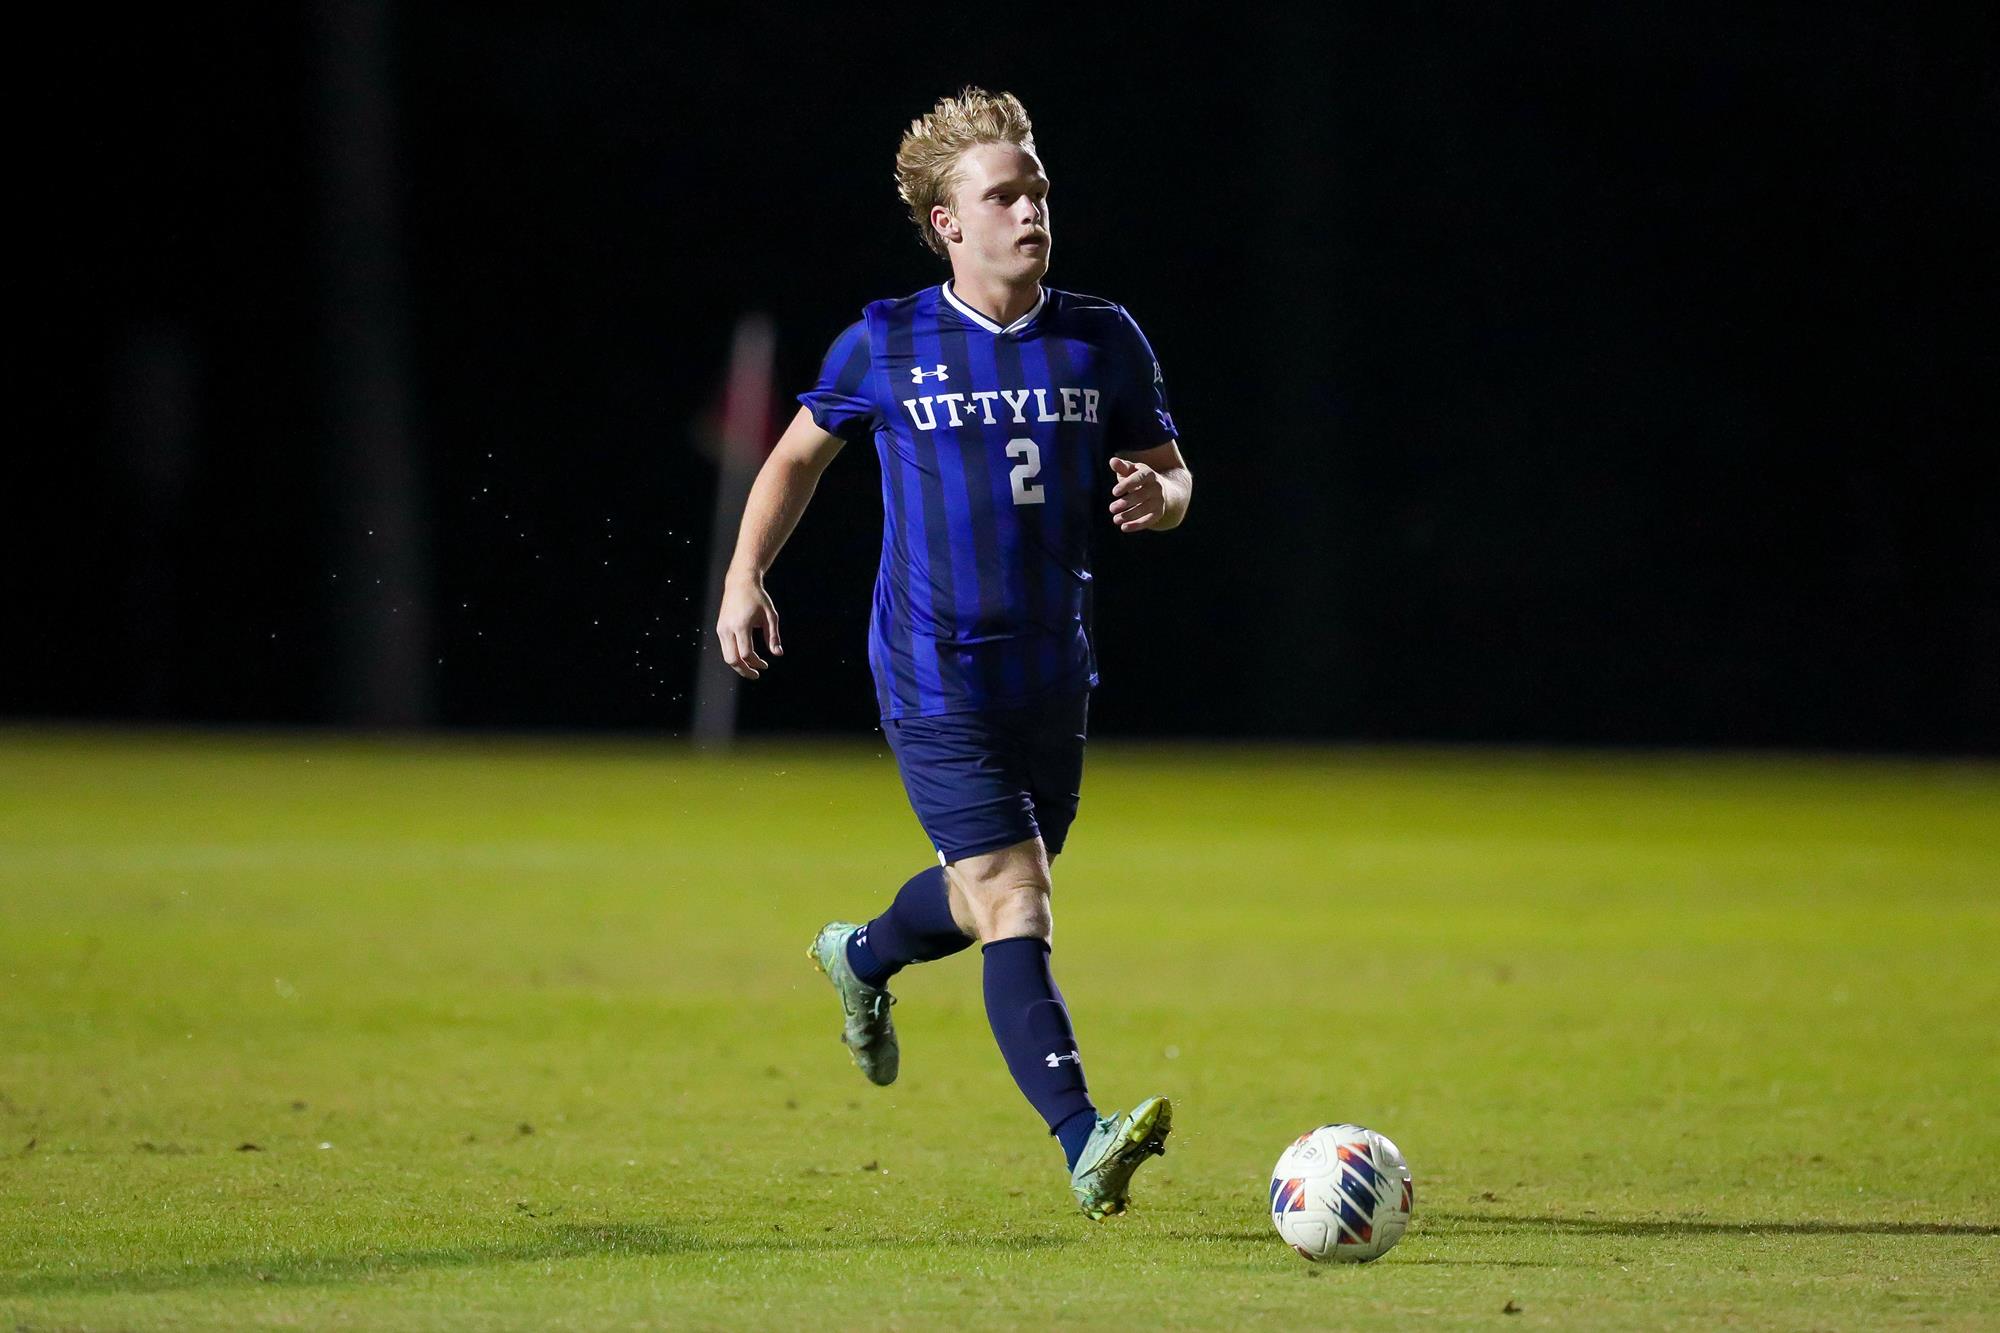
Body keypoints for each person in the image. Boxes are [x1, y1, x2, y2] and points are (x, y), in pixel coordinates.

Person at [715, 87, 1192, 1221]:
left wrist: (1159, 497)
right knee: (1015, 900)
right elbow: (791, 461)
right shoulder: (885, 340)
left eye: (1037, 189)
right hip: (931, 669)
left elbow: (1172, 470)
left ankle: (864, 955)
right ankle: (1084, 1141)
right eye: (1004, 194)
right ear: (947, 222)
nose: (1030, 210)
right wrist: (744, 575)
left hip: (1050, 667)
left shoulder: (1101, 335)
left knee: (990, 893)